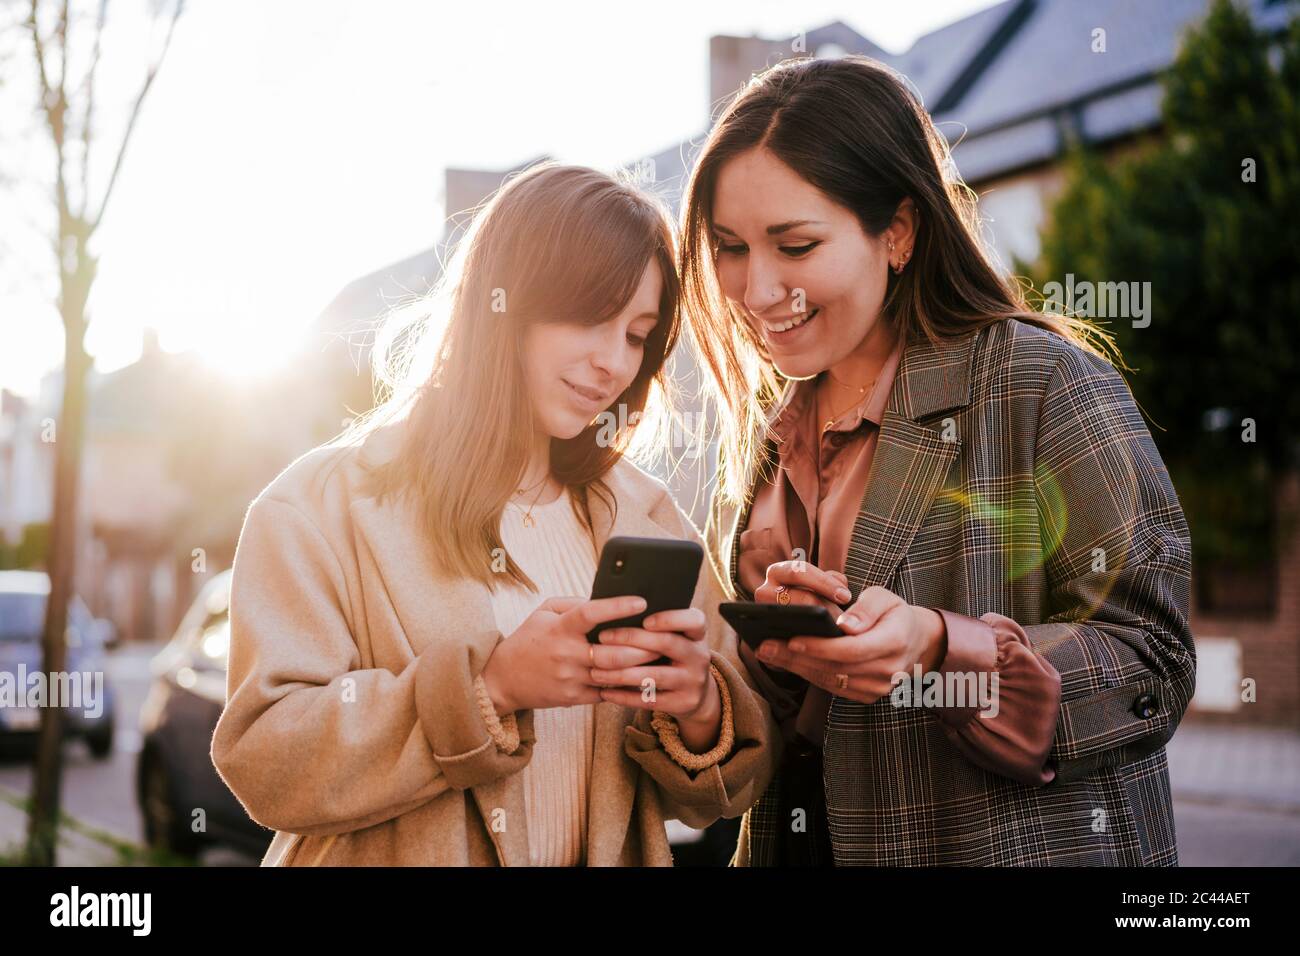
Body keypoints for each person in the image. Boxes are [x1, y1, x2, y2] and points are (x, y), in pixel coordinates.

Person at [678, 56, 1196, 865]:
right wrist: (756, 667)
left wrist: (939, 649)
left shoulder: (1040, 382)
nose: (755, 288)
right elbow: (785, 723)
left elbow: (1153, 669)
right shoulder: (765, 434)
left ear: (898, 232)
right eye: (730, 247)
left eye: (797, 244)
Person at [211, 163, 779, 866]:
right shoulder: (318, 507)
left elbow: (728, 791)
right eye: (592, 317)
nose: (614, 363)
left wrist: (698, 711)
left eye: (637, 334)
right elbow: (268, 761)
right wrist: (491, 686)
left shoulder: (648, 518)